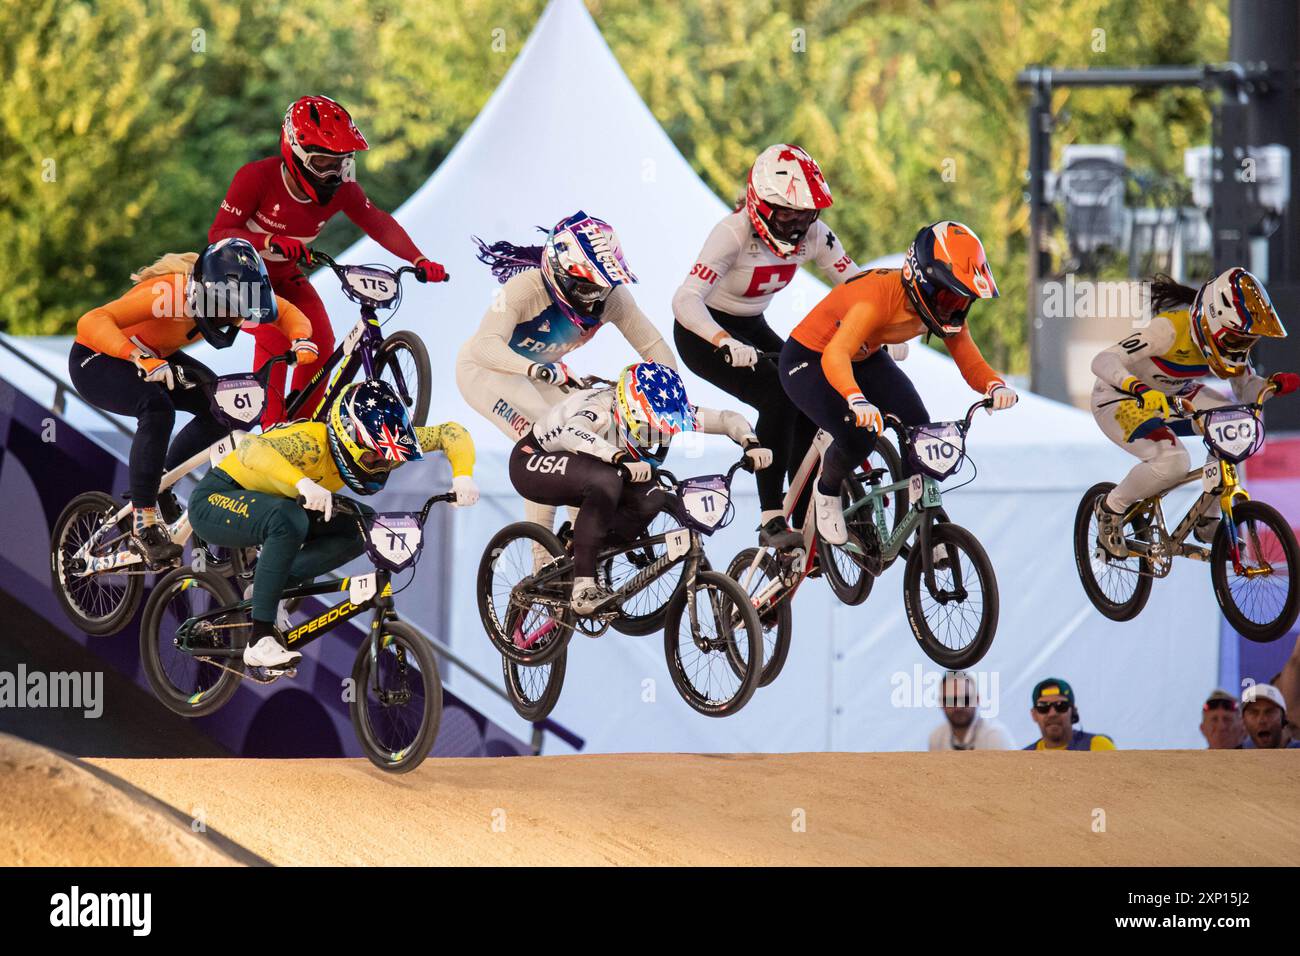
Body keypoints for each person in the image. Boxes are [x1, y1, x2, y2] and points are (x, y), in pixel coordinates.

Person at [188, 379, 480, 668]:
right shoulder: (311, 444)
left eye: (388, 460)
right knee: (287, 520)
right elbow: (249, 447)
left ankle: (270, 588)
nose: (381, 465)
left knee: (363, 525)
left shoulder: (388, 442)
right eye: (372, 457)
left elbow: (450, 432)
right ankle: (259, 640)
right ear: (348, 436)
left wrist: (463, 475)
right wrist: (302, 483)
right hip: (217, 498)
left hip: (280, 503)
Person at [70, 239, 317, 566]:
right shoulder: (170, 296)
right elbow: (91, 320)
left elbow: (285, 311)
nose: (235, 319)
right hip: (97, 357)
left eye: (240, 312)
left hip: (156, 357)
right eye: (230, 310)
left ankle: (160, 483)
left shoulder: (236, 296)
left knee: (224, 407)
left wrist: (301, 338)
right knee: (156, 408)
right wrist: (137, 357)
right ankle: (144, 520)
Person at [208, 94, 449, 427]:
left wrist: (418, 258)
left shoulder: (343, 188)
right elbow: (218, 233)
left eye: (342, 162)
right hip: (237, 276)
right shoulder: (256, 178)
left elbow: (377, 222)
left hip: (284, 276)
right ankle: (272, 432)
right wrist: (268, 241)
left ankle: (303, 429)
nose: (335, 172)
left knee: (320, 343)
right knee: (277, 337)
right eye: (323, 162)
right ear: (295, 151)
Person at [779, 221, 1018, 544]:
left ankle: (925, 517)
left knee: (919, 427)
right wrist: (856, 398)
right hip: (810, 359)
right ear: (922, 283)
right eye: (949, 298)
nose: (954, 311)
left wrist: (993, 385)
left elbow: (968, 356)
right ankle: (827, 492)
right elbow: (835, 353)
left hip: (863, 354)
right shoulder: (875, 300)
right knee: (856, 434)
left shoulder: (942, 309)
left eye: (963, 302)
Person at [672, 144, 862, 548]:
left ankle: (807, 507)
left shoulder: (816, 235)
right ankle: (771, 518)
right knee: (779, 394)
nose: (796, 225)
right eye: (788, 213)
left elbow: (857, 287)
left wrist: (886, 327)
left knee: (808, 391)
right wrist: (722, 340)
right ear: (760, 203)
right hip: (703, 333)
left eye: (807, 214)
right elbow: (684, 299)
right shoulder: (732, 233)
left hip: (752, 326)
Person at [459, 211, 677, 532]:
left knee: (595, 433)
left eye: (604, 286)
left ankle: (577, 540)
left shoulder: (612, 297)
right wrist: (534, 368)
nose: (596, 298)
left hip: (543, 371)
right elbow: (484, 347)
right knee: (545, 439)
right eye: (587, 287)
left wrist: (665, 397)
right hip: (485, 371)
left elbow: (656, 350)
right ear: (560, 273)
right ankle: (541, 560)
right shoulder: (525, 289)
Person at [508, 362, 771, 613]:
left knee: (652, 495)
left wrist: (750, 441)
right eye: (648, 431)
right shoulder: (600, 408)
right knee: (607, 480)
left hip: (588, 462)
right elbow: (572, 433)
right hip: (532, 459)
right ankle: (584, 589)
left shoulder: (665, 407)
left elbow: (726, 419)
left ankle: (587, 549)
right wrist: (618, 457)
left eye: (662, 432)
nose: (654, 439)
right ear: (628, 411)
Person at [1089, 269, 1296, 556]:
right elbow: (1102, 360)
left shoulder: (1227, 343)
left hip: (1172, 397)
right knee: (1173, 461)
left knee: (1234, 423)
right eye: (1236, 340)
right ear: (1211, 321)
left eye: (1247, 342)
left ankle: (1208, 518)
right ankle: (1111, 507)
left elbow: (1244, 390)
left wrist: (1270, 385)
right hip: (1120, 398)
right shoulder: (1170, 331)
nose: (1239, 349)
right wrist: (1137, 387)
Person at [927, 671, 1014, 751]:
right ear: (941, 703)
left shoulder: (995, 736)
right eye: (951, 701)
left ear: (977, 700)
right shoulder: (936, 738)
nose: (958, 707)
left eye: (965, 699)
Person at [1022, 678, 1116, 751]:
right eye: (1043, 707)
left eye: (1061, 705)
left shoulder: (1098, 746)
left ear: (1073, 711)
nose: (1052, 713)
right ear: (1034, 714)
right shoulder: (1023, 758)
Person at [1240, 683, 1300, 749]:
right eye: (1254, 713)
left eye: (1270, 712)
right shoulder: (1233, 756)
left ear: (1283, 718)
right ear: (1243, 720)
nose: (1261, 720)